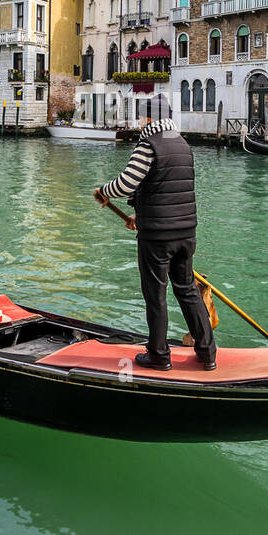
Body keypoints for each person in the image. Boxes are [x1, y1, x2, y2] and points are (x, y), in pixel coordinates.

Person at [94, 115, 217, 372]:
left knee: (156, 295)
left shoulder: (149, 144)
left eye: (142, 115)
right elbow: (166, 188)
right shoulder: (182, 143)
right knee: (187, 289)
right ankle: (208, 353)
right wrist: (139, 213)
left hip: (158, 237)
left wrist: (104, 191)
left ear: (150, 117)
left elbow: (128, 182)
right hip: (186, 232)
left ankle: (159, 355)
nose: (139, 121)